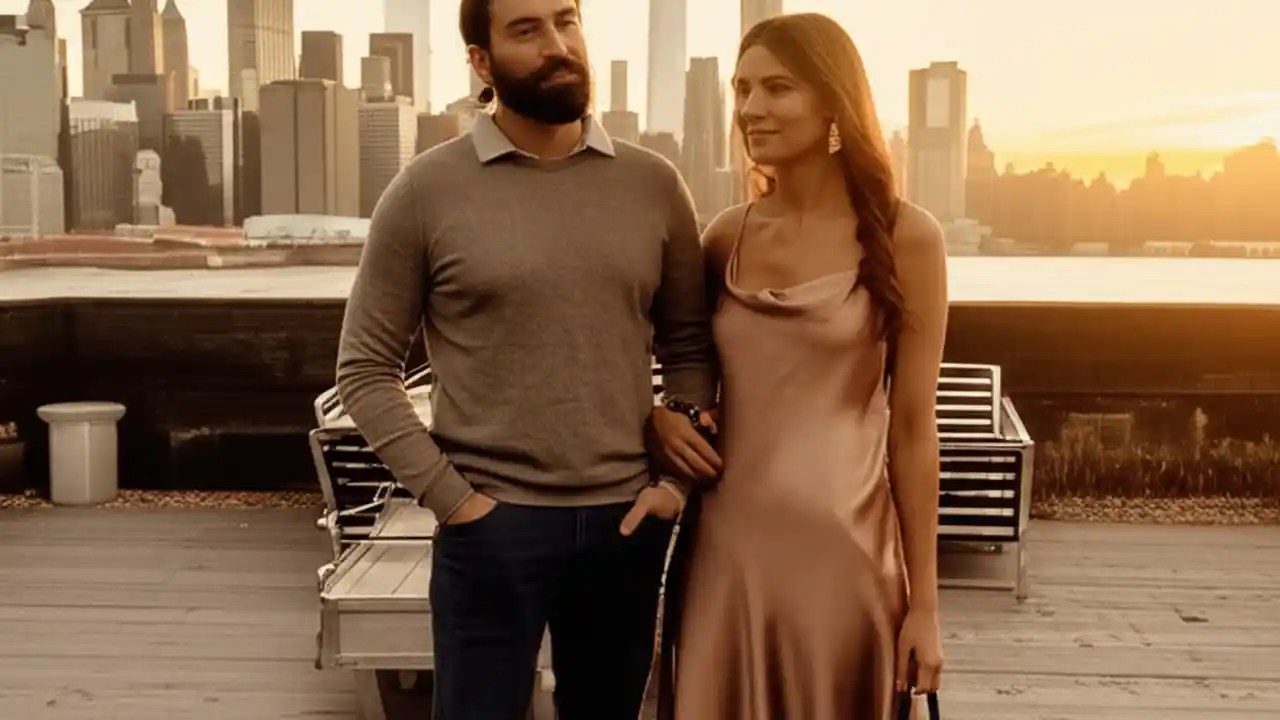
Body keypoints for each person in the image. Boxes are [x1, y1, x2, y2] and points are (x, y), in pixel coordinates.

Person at [334, 0, 721, 718]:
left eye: (566, 20)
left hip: (625, 524)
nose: (557, 44)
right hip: (490, 528)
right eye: (526, 29)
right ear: (480, 61)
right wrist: (457, 503)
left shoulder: (655, 185)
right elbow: (362, 369)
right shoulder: (424, 190)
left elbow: (690, 347)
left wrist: (672, 484)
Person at [660, 12, 948, 720]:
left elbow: (914, 430)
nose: (752, 108)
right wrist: (658, 420)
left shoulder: (909, 237)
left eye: (777, 88)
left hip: (848, 566)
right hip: (728, 563)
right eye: (742, 88)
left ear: (833, 102)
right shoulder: (723, 235)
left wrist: (926, 605)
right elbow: (682, 371)